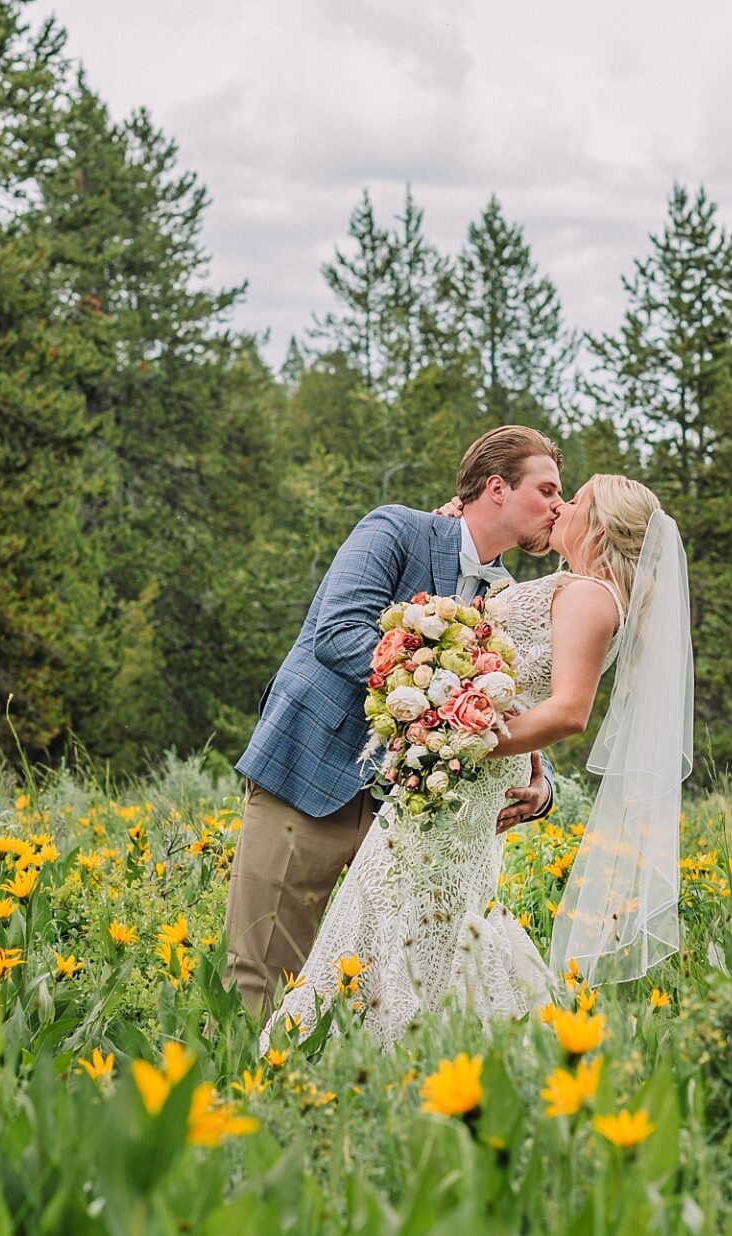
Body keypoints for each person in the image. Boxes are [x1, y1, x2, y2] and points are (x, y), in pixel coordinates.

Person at [263, 472, 693, 1053]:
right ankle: (404, 1053)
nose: (562, 505)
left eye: (576, 500)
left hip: (462, 778)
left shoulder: (590, 597)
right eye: (554, 492)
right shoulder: (572, 587)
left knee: (415, 921)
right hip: (453, 780)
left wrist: (454, 738)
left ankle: (402, 1056)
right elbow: (511, 681)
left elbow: (567, 711)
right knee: (401, 918)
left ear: (599, 526)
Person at [224, 426, 565, 1018]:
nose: (561, 506)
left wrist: (541, 783)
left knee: (402, 984)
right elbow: (339, 634)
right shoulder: (396, 530)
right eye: (548, 489)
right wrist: (448, 702)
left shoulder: (511, 593)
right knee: (264, 973)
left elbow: (512, 699)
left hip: (409, 816)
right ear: (497, 488)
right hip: (309, 774)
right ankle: (236, 1099)